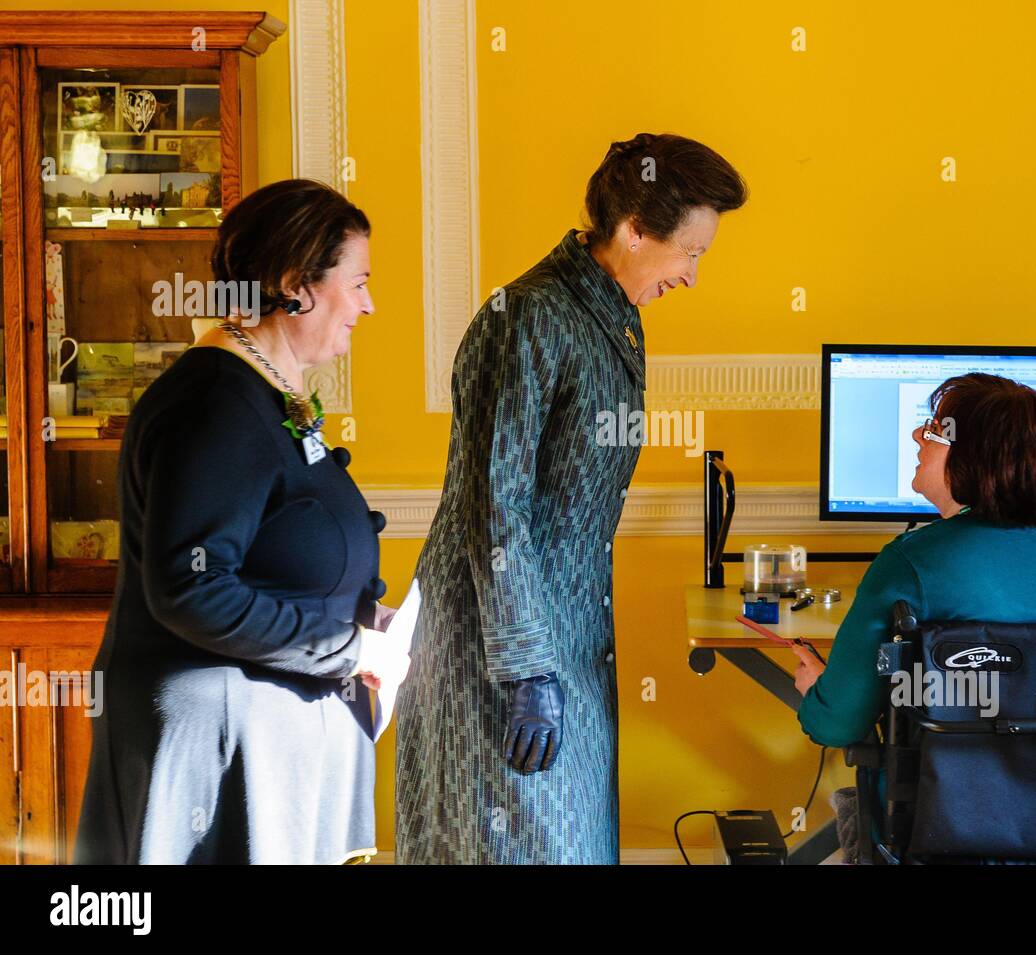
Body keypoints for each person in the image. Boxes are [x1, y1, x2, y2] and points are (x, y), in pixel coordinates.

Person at [397, 133, 748, 864]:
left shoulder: (611, 317)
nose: (691, 276)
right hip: (496, 646)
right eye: (691, 252)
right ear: (635, 230)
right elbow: (496, 503)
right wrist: (526, 665)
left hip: (567, 644)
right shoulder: (526, 317)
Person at [74, 179, 410, 865]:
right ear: (295, 285)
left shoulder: (257, 389)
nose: (368, 303)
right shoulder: (216, 403)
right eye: (358, 281)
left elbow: (273, 551)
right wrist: (347, 649)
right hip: (217, 754)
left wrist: (359, 624)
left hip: (263, 744)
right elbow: (190, 588)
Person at [793, 372, 1036, 746]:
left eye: (932, 431)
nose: (917, 437)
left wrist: (818, 691)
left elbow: (836, 726)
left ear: (971, 457)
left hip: (943, 798)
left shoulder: (910, 560)